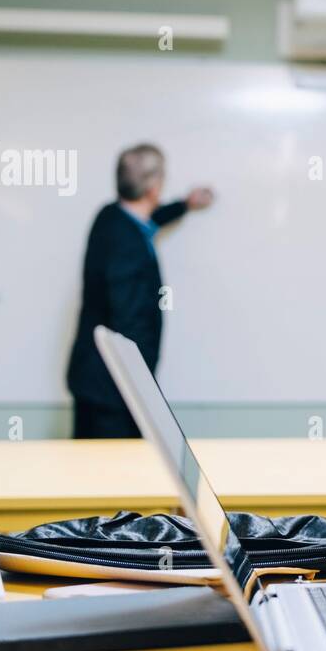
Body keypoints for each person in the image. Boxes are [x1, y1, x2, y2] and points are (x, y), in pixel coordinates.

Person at [66, 143, 214, 438]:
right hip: (114, 393)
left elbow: (149, 219)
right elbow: (129, 323)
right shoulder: (126, 242)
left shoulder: (111, 218)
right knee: (113, 480)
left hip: (99, 385)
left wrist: (185, 204)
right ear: (153, 187)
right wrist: (146, 392)